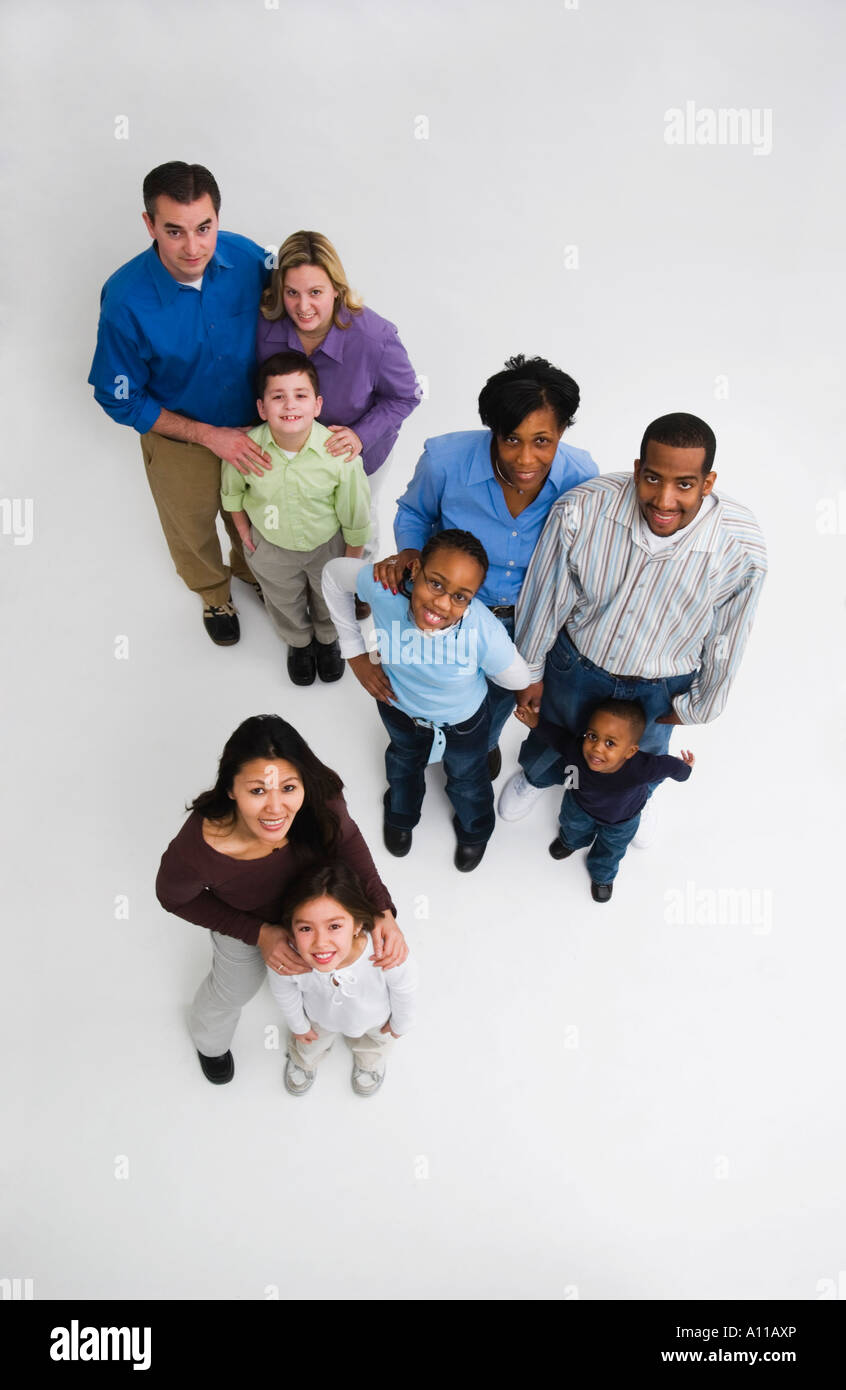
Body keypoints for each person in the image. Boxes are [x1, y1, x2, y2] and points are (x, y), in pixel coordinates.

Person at [499, 412, 767, 844]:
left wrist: (701, 704)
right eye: (653, 478)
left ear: (707, 482)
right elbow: (547, 594)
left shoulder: (741, 547)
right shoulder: (584, 507)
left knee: (643, 755)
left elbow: (728, 635)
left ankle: (635, 798)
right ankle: (536, 778)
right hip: (578, 666)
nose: (664, 500)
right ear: (638, 468)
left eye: (684, 484)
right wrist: (529, 670)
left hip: (659, 687)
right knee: (555, 738)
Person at [375, 356, 597, 779]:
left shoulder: (582, 476)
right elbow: (414, 513)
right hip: (448, 605)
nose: (526, 459)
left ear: (563, 432)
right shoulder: (445, 460)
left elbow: (579, 557)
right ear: (493, 430)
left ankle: (481, 744)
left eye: (542, 441)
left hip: (522, 617)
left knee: (496, 698)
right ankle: (418, 738)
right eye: (511, 439)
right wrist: (410, 553)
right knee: (432, 678)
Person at [155, 715, 407, 1085]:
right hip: (246, 921)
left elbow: (348, 841)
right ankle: (210, 1043)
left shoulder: (321, 800)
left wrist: (381, 909)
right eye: (257, 791)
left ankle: (336, 1027)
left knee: (355, 972)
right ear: (230, 789)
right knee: (233, 990)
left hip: (318, 912)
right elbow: (174, 898)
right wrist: (259, 933)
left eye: (288, 788)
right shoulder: (197, 850)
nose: (276, 809)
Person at [89, 161, 273, 646]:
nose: (193, 248)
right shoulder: (124, 298)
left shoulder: (252, 258)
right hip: (179, 433)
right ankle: (214, 593)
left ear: (217, 218)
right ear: (149, 225)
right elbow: (118, 395)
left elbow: (298, 310)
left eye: (204, 228)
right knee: (190, 524)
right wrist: (205, 435)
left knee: (259, 515)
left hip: (255, 428)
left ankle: (252, 571)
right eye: (174, 231)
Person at [322, 530, 530, 872]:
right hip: (398, 708)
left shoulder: (484, 632)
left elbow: (518, 678)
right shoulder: (384, 587)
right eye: (435, 583)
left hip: (463, 723)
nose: (442, 604)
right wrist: (356, 655)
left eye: (461, 597)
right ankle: (402, 814)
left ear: (473, 600)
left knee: (467, 777)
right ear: (414, 569)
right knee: (403, 764)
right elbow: (333, 575)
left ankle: (474, 830)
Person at [257, 230, 419, 553]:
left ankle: (359, 593)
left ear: (336, 289)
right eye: (292, 292)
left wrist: (360, 436)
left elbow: (405, 395)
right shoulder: (265, 328)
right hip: (293, 451)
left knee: (358, 521)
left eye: (315, 291)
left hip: (358, 453)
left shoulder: (375, 337)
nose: (303, 306)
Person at [221, 351, 371, 685]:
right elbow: (232, 492)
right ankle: (299, 643)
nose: (290, 405)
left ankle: (328, 639)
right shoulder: (244, 448)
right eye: (278, 397)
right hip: (271, 548)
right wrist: (245, 533)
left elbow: (356, 517)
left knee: (328, 598)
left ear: (317, 405)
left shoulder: (339, 455)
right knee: (282, 600)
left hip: (326, 546)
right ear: (262, 408)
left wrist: (348, 567)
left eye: (300, 396)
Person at [514, 698, 695, 902]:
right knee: (571, 825)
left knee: (612, 850)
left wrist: (685, 769)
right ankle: (570, 841)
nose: (597, 748)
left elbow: (670, 767)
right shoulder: (577, 750)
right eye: (592, 736)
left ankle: (602, 875)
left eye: (610, 743)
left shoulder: (643, 767)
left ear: (630, 751)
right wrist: (535, 722)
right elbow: (557, 738)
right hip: (579, 805)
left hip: (622, 820)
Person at [268, 862, 418, 1097]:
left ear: (358, 924)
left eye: (335, 926)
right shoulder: (288, 957)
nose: (321, 942)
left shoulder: (385, 952)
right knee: (309, 1042)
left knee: (376, 1044)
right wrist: (298, 1025)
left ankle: (369, 1061)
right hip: (318, 1019)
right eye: (306, 929)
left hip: (376, 1020)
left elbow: (405, 989)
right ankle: (305, 1059)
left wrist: (401, 1022)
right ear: (291, 929)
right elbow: (283, 992)